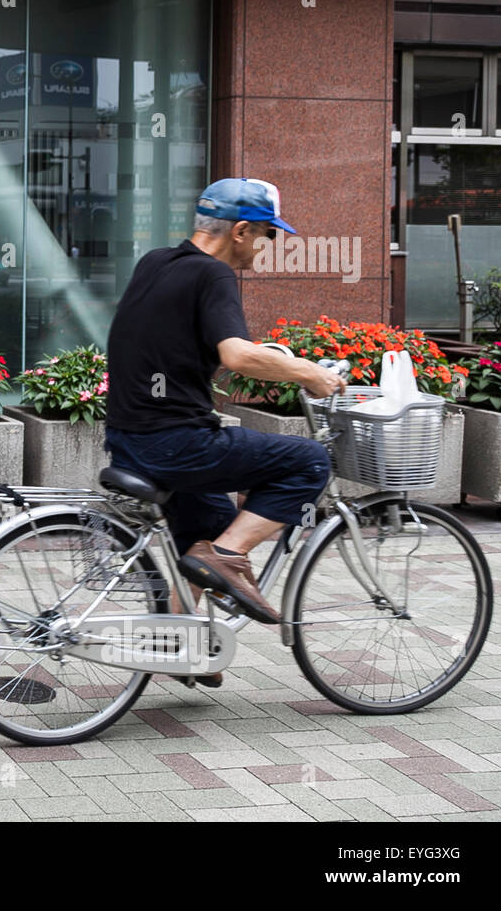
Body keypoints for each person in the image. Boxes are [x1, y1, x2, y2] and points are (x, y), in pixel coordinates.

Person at [103, 178, 347, 687]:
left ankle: (177, 642)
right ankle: (228, 558)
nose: (267, 246)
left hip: (129, 438)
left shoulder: (156, 263)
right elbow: (236, 354)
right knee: (308, 462)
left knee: (209, 521)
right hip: (175, 443)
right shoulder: (213, 275)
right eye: (267, 235)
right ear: (240, 231)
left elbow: (172, 342)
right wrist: (309, 373)